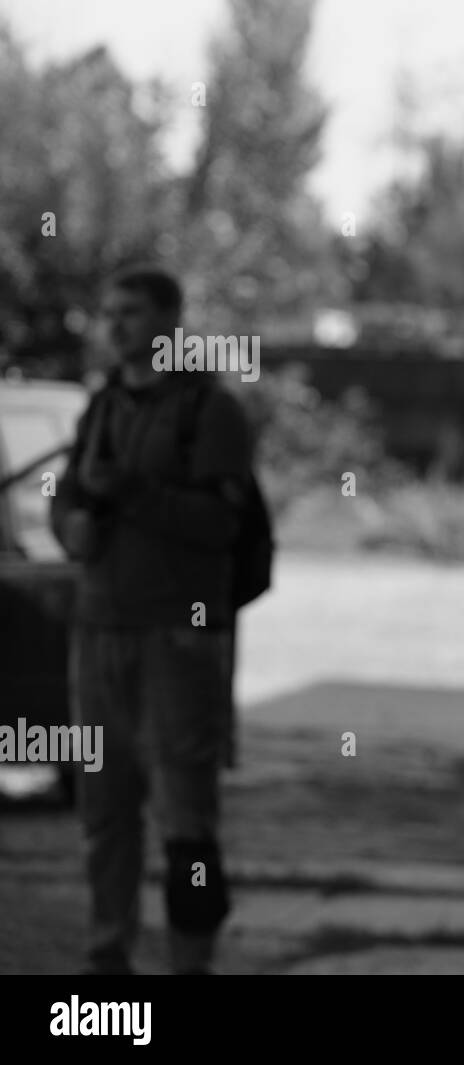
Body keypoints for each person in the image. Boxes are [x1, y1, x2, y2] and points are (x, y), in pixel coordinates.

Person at [51, 265, 253, 975]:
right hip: (99, 632)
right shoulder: (103, 406)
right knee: (104, 815)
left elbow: (223, 524)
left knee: (185, 821)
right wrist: (71, 521)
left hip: (178, 640)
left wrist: (135, 493)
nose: (115, 325)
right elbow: (70, 497)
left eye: (131, 312)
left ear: (170, 320)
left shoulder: (210, 410)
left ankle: (189, 964)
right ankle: (108, 961)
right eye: (109, 312)